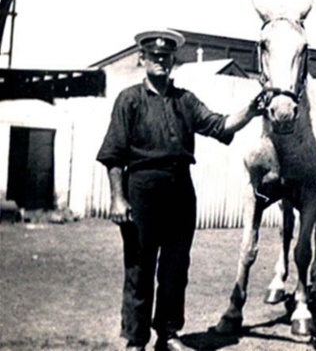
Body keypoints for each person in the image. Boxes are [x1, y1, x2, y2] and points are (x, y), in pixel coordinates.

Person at [96, 30, 263, 351]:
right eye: (154, 56)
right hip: (142, 189)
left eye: (166, 57)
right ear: (142, 60)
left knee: (175, 268)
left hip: (180, 192)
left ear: (173, 61)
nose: (161, 61)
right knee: (139, 268)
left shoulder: (185, 100)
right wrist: (118, 198)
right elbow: (113, 155)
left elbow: (219, 124)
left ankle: (169, 334)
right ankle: (135, 340)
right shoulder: (129, 99)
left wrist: (251, 110)